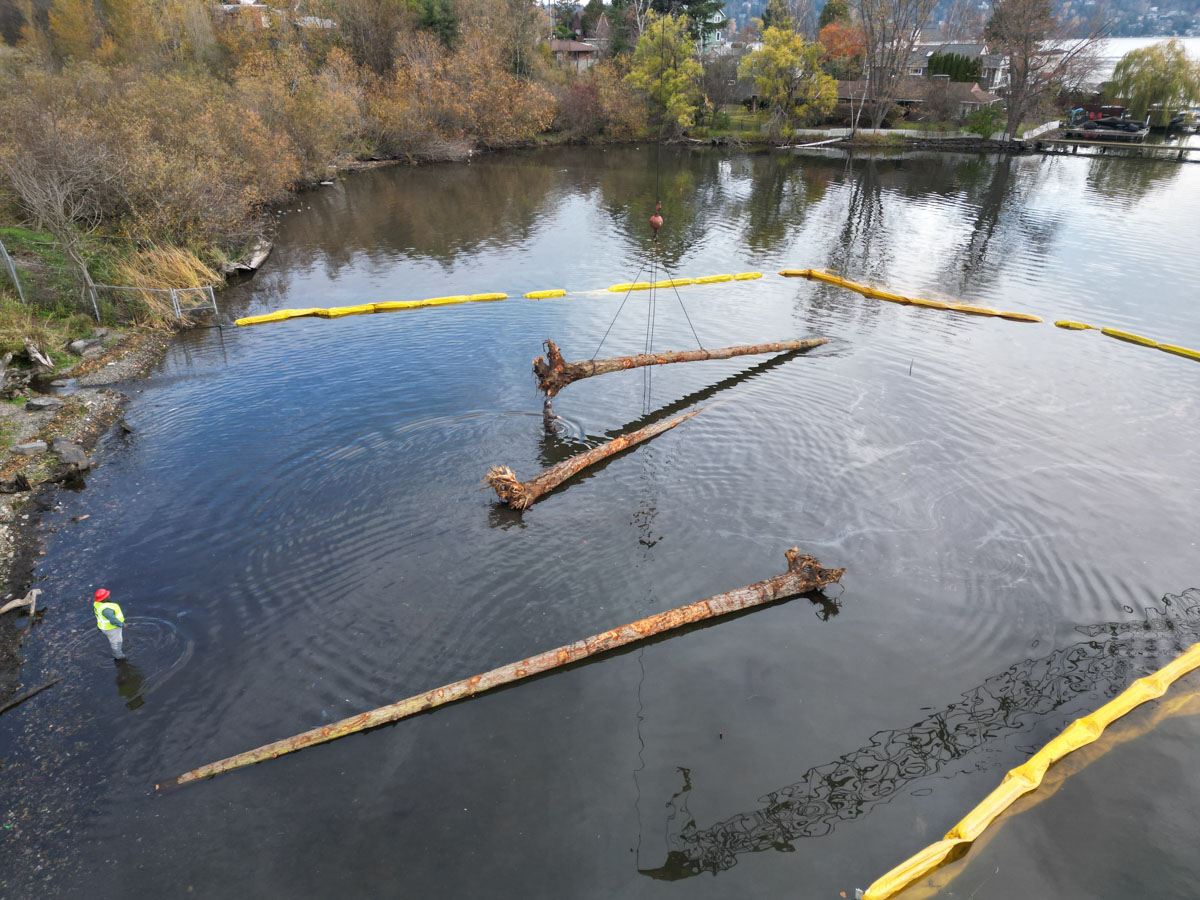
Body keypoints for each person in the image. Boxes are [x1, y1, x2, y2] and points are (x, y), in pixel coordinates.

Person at [93, 588, 126, 659]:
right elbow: (113, 620)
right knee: (116, 642)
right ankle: (117, 655)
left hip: (103, 626)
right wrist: (122, 625)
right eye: (107, 596)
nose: (109, 596)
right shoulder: (106, 610)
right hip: (111, 629)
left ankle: (117, 653)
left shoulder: (97, 604)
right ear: (104, 599)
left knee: (113, 639)